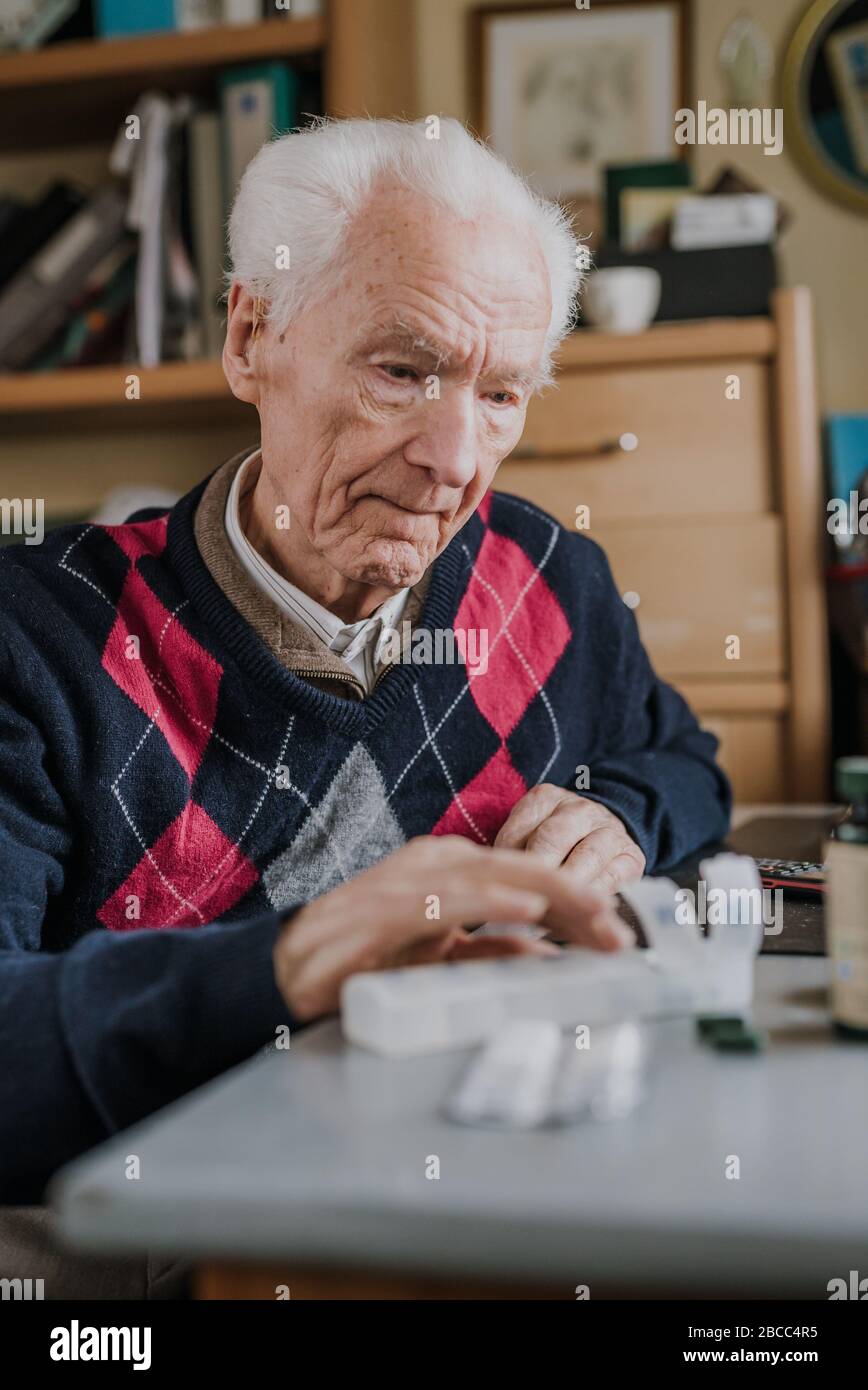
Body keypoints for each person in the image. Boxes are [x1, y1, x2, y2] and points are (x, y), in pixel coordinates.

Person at [0, 118, 729, 1291]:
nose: (454, 458)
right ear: (253, 338)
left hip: (478, 1201)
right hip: (151, 1237)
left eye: (500, 393)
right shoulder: (38, 636)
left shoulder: (552, 582)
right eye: (404, 369)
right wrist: (287, 966)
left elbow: (686, 757)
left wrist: (628, 812)